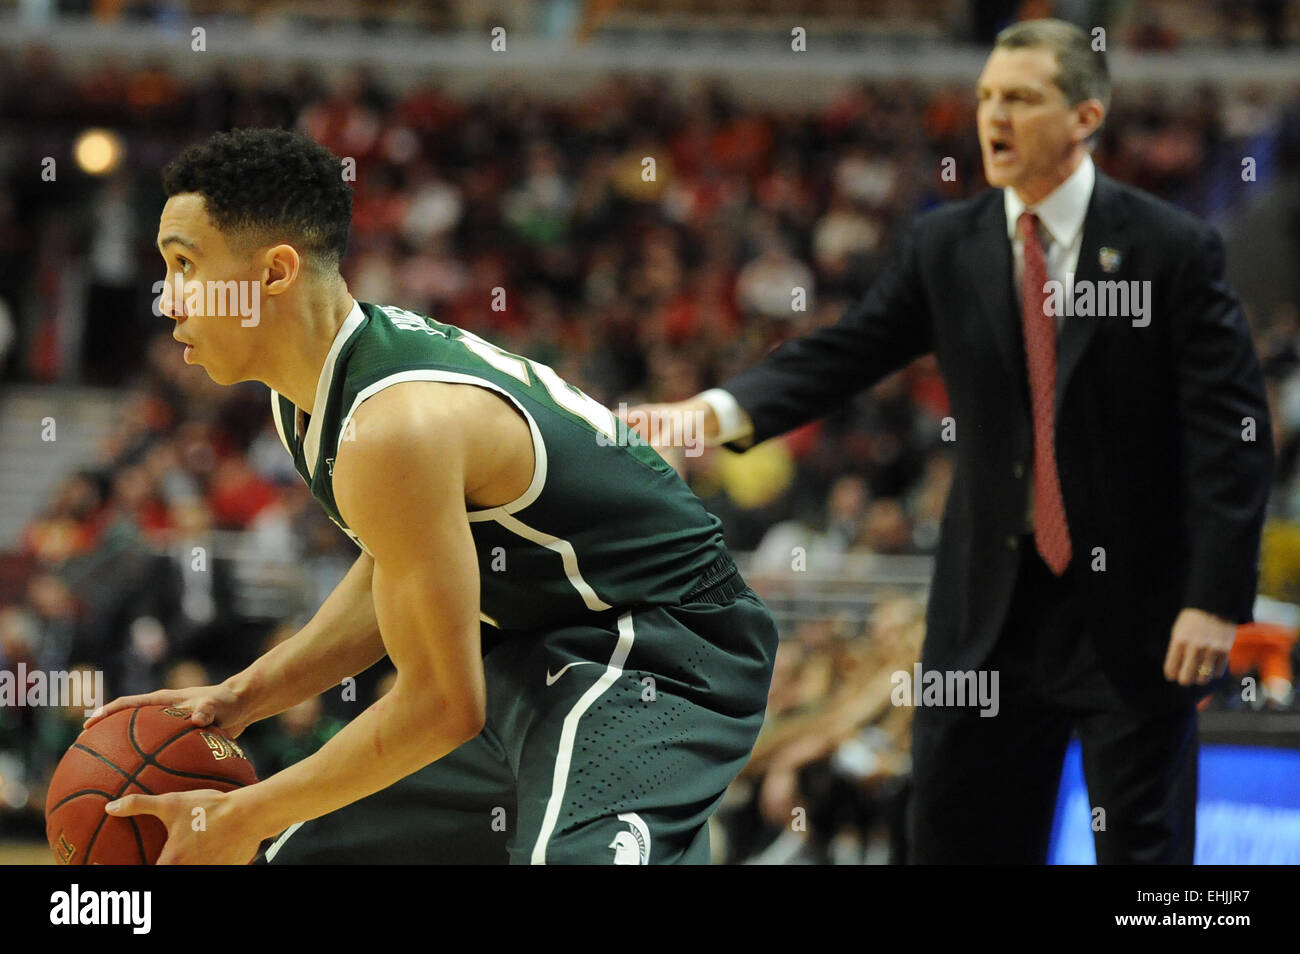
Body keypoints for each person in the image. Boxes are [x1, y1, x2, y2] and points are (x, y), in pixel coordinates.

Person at [626, 19, 1273, 863]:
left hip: (1138, 612)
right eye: (985, 98)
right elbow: (843, 352)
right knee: (952, 839)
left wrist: (1216, 599)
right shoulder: (947, 245)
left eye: (1021, 98)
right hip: (986, 615)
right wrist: (707, 414)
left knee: (1144, 857)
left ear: (1085, 115)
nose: (993, 115)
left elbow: (1233, 435)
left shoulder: (1169, 246)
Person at [84, 127, 778, 865]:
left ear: (276, 272)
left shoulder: (393, 426)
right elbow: (398, 560)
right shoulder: (311, 399)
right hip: (533, 647)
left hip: (657, 649)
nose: (167, 298)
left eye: (186, 265)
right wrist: (247, 695)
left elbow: (444, 706)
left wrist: (239, 814)